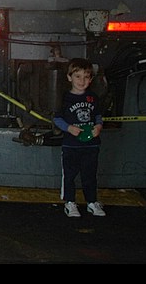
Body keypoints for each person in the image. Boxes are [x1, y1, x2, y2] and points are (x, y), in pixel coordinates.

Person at [53, 57, 105, 218]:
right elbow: (57, 118)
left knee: (90, 175)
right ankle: (70, 202)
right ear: (69, 77)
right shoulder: (64, 98)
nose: (82, 81)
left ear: (91, 79)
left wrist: (98, 127)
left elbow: (98, 116)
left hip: (91, 145)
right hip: (71, 146)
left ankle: (91, 202)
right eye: (77, 76)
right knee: (69, 175)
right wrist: (69, 128)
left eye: (86, 77)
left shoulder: (93, 97)